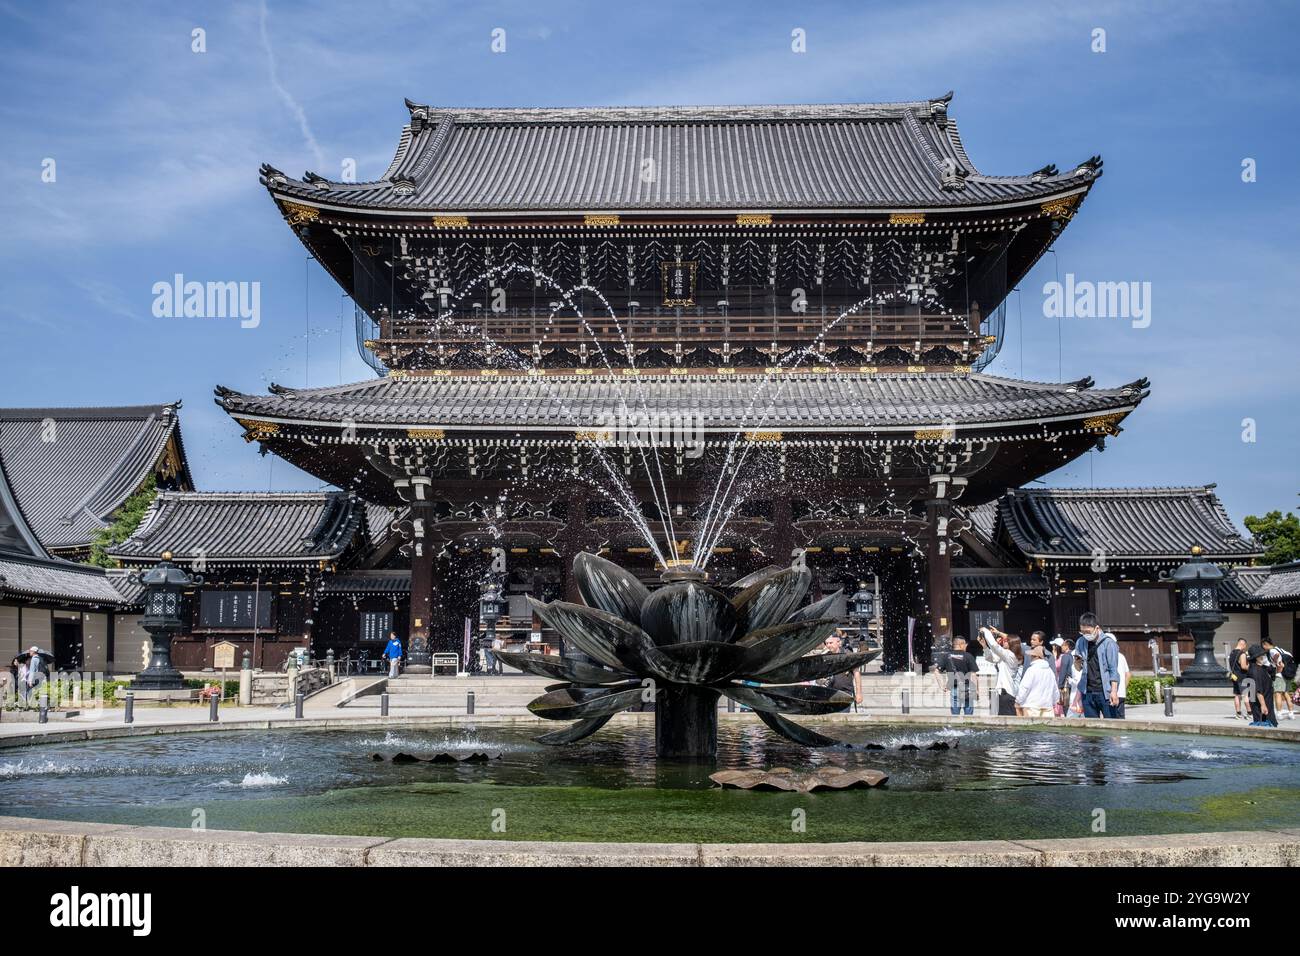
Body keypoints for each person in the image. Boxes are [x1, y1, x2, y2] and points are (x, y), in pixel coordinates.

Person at [1073, 613, 1120, 718]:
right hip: (1087, 692)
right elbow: (1078, 668)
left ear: (1096, 628)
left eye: (1088, 632)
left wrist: (1114, 691)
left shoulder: (1108, 643)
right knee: (1091, 729)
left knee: (1111, 726)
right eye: (1082, 632)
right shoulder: (1080, 642)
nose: (1085, 634)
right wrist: (1077, 662)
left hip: (1105, 692)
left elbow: (1113, 670)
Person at [975, 626, 1020, 715]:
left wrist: (985, 630)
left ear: (1012, 643)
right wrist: (984, 646)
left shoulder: (1010, 655)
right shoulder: (1006, 655)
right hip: (1002, 692)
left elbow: (994, 646)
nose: (1003, 641)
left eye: (1006, 641)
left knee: (1007, 719)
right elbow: (991, 658)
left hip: (1006, 693)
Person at [934, 636, 978, 716]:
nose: (966, 646)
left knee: (955, 716)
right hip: (967, 689)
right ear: (961, 644)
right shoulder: (968, 656)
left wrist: (941, 686)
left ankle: (955, 728)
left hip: (954, 689)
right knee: (969, 716)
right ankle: (968, 728)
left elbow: (936, 671)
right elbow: (973, 675)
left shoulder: (947, 656)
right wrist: (976, 690)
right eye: (965, 644)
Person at [822, 631, 864, 711]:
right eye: (826, 643)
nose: (828, 645)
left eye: (830, 643)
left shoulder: (847, 654)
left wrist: (859, 693)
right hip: (830, 691)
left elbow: (856, 673)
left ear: (838, 642)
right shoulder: (826, 656)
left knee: (843, 715)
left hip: (845, 692)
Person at [1015, 646, 1059, 718]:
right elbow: (1055, 690)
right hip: (1047, 707)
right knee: (1045, 729)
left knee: (1031, 729)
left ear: (1036, 657)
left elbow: (1024, 687)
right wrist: (1053, 702)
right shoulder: (1050, 671)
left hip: (1031, 706)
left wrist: (1018, 701)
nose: (1030, 657)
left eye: (1032, 656)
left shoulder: (1031, 670)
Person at [1262, 638, 1295, 720]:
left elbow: (1278, 659)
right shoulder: (1280, 649)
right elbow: (1291, 657)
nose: (1263, 647)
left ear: (1265, 644)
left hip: (1279, 675)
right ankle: (1291, 713)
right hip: (1288, 674)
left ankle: (1279, 713)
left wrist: (1278, 663)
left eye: (1263, 645)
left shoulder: (1272, 651)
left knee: (1277, 693)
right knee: (1286, 693)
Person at [1246, 645, 1276, 727]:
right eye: (1262, 655)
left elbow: (1273, 675)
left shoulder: (1262, 667)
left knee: (1268, 724)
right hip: (1261, 704)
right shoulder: (1255, 671)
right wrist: (1263, 705)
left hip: (1266, 700)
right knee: (1264, 724)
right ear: (1256, 657)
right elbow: (1257, 690)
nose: (1264, 656)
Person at [1229, 638, 1251, 720]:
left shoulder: (1231, 653)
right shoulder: (1242, 654)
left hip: (1234, 677)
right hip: (1242, 677)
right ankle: (1249, 713)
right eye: (1245, 646)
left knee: (1237, 695)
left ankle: (1238, 714)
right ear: (1243, 644)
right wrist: (1250, 667)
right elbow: (1243, 666)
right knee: (1246, 696)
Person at [1114, 649, 1130, 718]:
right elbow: (1128, 674)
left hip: (1109, 694)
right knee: (1120, 719)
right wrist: (1123, 688)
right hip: (1121, 693)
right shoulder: (1121, 656)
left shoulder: (1104, 655)